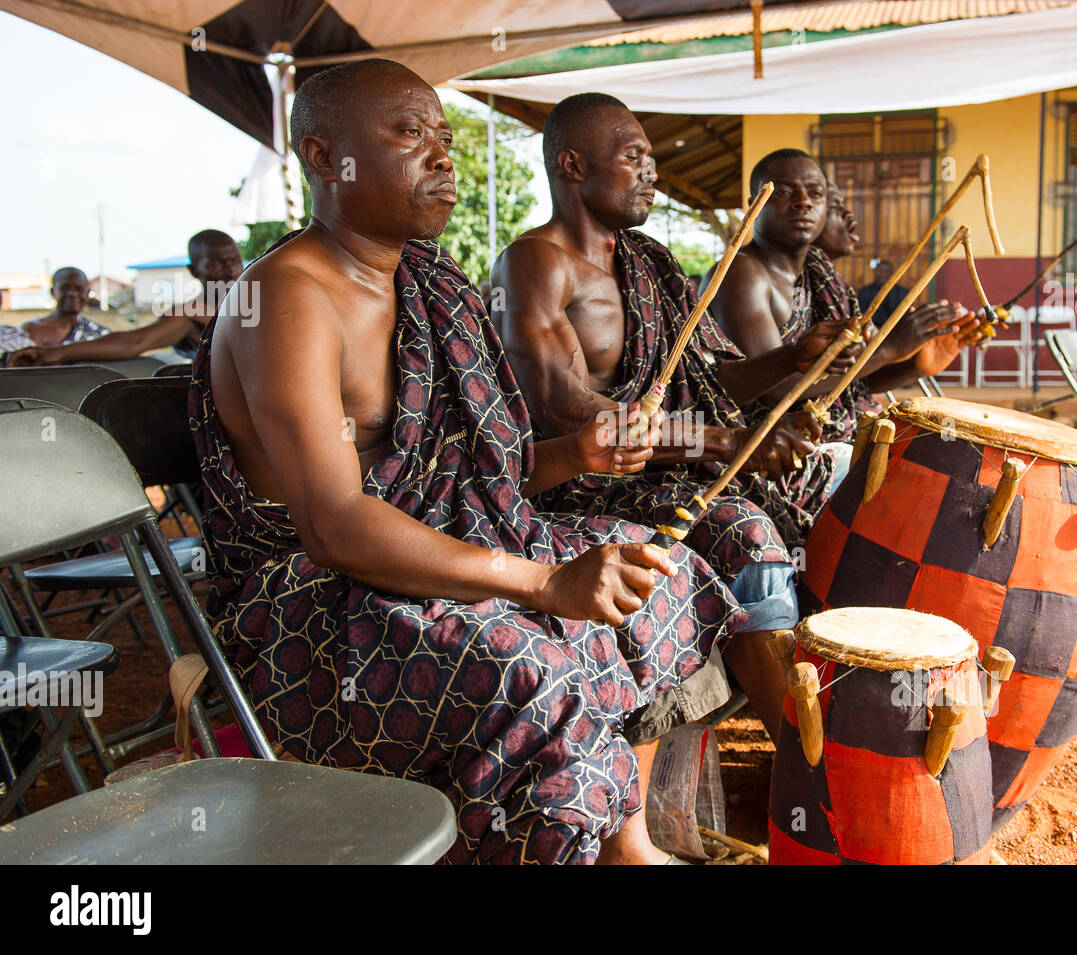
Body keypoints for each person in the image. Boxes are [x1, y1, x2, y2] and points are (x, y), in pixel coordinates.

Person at [193, 59, 743, 865]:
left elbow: (473, 478)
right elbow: (335, 524)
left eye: (444, 136)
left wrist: (575, 453)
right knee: (536, 664)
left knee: (666, 580)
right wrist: (542, 582)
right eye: (410, 133)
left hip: (425, 547)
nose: (443, 156)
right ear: (321, 156)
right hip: (311, 605)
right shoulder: (287, 296)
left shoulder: (427, 282)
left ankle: (628, 844)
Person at [493, 92, 838, 741]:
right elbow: (564, 405)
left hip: (660, 472)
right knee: (745, 528)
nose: (651, 170)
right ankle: (798, 751)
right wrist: (720, 440)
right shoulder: (532, 262)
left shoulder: (645, 263)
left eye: (652, 158)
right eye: (634, 157)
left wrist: (793, 358)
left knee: (788, 507)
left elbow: (705, 380)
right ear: (571, 165)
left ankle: (801, 731)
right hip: (572, 485)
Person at [710, 150, 981, 457]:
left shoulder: (818, 271)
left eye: (815, 193)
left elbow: (851, 383)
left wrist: (914, 364)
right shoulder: (742, 272)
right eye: (784, 192)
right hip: (765, 450)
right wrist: (886, 348)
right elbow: (777, 390)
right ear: (754, 206)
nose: (804, 202)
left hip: (829, 437)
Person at [4, 231, 244, 367]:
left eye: (233, 260)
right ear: (194, 271)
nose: (230, 269)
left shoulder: (254, 304)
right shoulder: (191, 313)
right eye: (215, 263)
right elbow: (136, 341)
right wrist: (55, 353)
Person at [0, 267, 110, 358]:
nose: (72, 293)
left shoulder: (100, 334)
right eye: (65, 288)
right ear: (53, 292)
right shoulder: (30, 330)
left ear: (87, 293)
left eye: (78, 289)